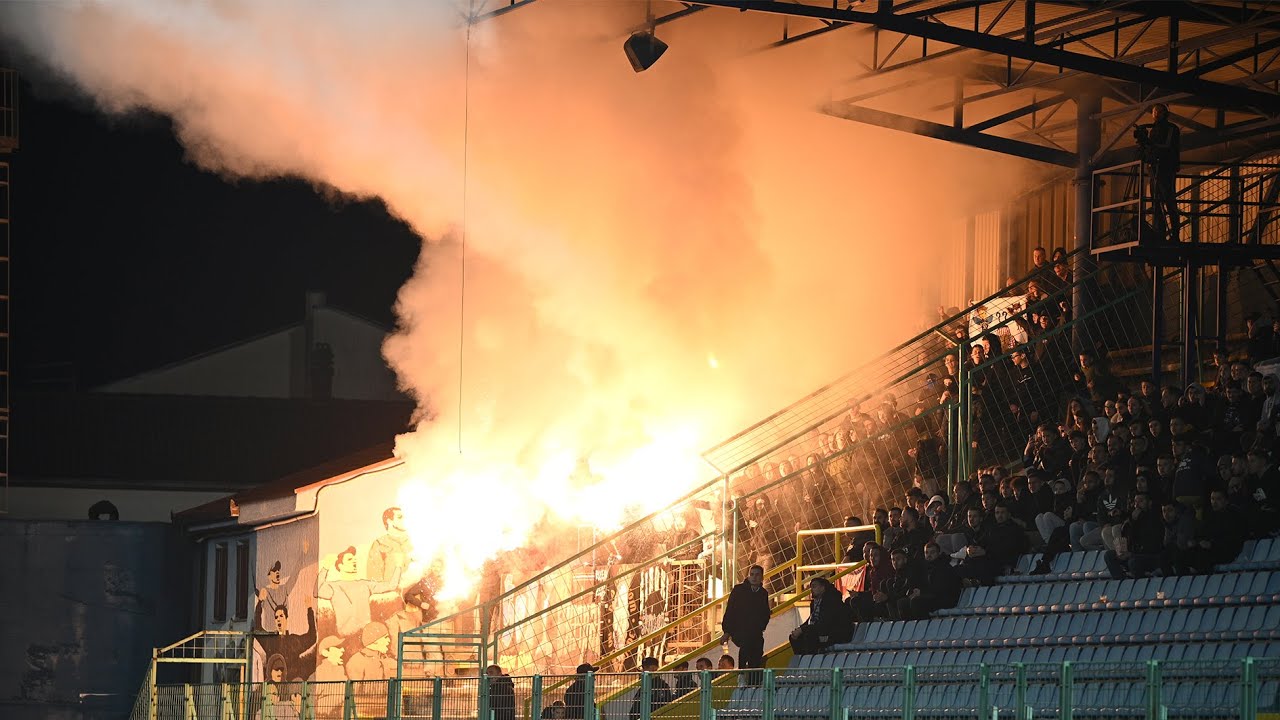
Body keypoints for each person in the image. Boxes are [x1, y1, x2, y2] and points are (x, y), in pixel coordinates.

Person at [1135, 102, 1180, 240]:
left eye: (1159, 111)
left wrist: (1148, 142)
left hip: (1166, 168)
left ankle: (1175, 234)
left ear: (1165, 113)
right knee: (1156, 202)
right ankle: (1160, 233)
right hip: (1154, 169)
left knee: (1169, 200)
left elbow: (1166, 147)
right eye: (1154, 111)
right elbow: (1151, 149)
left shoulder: (1172, 128)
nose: (1156, 114)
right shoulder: (1154, 129)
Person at [719, 565, 770, 670]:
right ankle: (742, 672)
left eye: (757, 575)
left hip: (755, 631)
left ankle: (753, 678)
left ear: (762, 577)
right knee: (747, 642)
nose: (754, 577)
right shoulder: (739, 590)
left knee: (757, 648)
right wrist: (727, 631)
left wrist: (761, 626)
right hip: (739, 631)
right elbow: (730, 611)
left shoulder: (763, 593)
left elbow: (765, 613)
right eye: (752, 574)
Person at [788, 577, 851, 655]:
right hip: (820, 630)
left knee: (809, 634)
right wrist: (799, 629)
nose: (811, 589)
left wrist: (802, 629)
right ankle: (802, 659)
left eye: (814, 586)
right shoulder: (814, 603)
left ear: (823, 588)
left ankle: (810, 660)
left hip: (834, 633)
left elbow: (825, 623)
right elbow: (811, 620)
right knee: (794, 637)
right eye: (811, 587)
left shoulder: (831, 601)